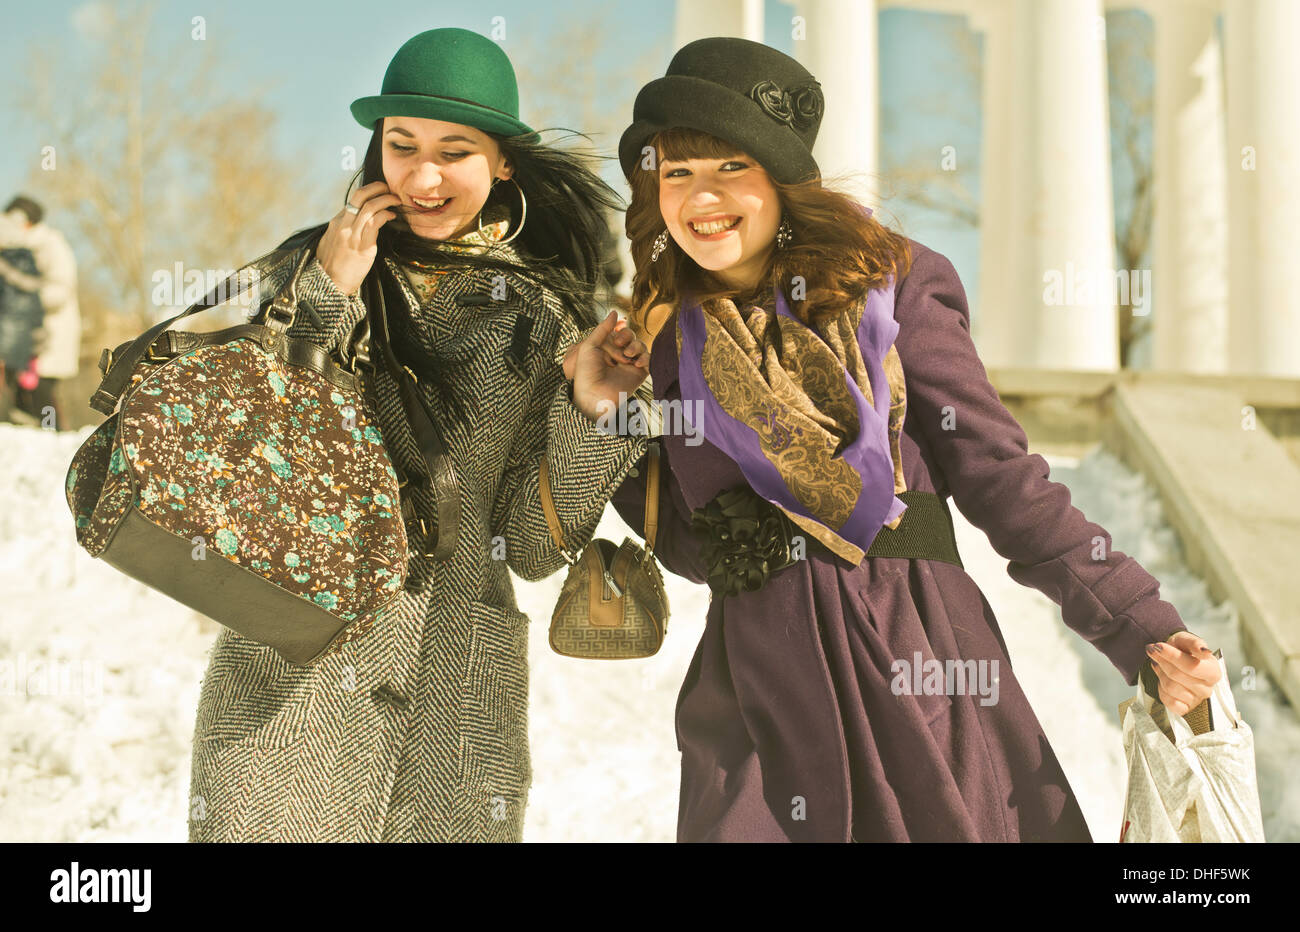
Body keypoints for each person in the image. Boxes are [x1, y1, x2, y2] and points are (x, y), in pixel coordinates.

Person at [582, 36, 1222, 842]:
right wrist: (608, 415)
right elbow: (691, 546)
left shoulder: (896, 287)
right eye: (676, 173)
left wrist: (1143, 627)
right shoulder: (675, 341)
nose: (699, 197)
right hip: (755, 697)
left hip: (916, 657)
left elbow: (1005, 483)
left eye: (729, 169)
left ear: (782, 182)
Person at [187, 27, 648, 843]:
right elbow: (249, 458)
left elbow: (534, 549)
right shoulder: (310, 275)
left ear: (503, 162)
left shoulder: (542, 322)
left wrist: (592, 411)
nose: (424, 177)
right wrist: (328, 298)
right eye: (402, 147)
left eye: (455, 152)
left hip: (455, 700)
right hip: (293, 678)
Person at [0, 195, 79, 428]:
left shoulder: (51, 244)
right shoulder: (13, 249)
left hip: (51, 332)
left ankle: (55, 442)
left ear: (27, 221)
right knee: (20, 392)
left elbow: (61, 289)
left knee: (42, 389)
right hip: (22, 336)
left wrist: (25, 302)